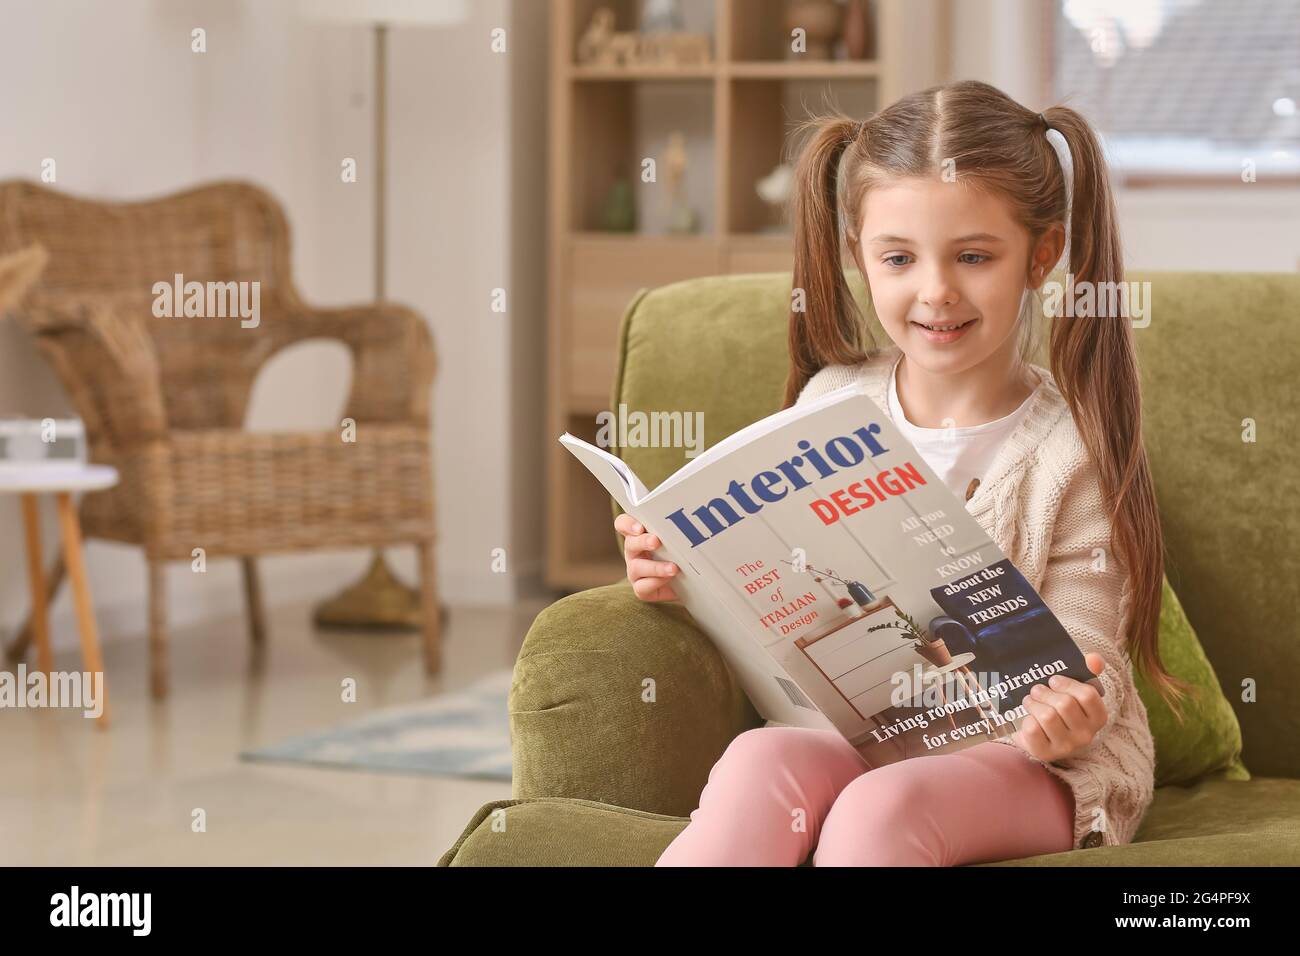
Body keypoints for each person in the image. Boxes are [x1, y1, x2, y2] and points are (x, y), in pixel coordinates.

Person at [616, 80, 1193, 866]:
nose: (936, 292)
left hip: (1036, 763)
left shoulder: (1072, 453)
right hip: (866, 736)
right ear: (858, 252)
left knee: (881, 811)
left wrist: (1074, 707)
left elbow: (1089, 652)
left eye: (974, 257)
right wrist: (680, 577)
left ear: (1042, 255)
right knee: (759, 760)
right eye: (899, 257)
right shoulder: (833, 402)